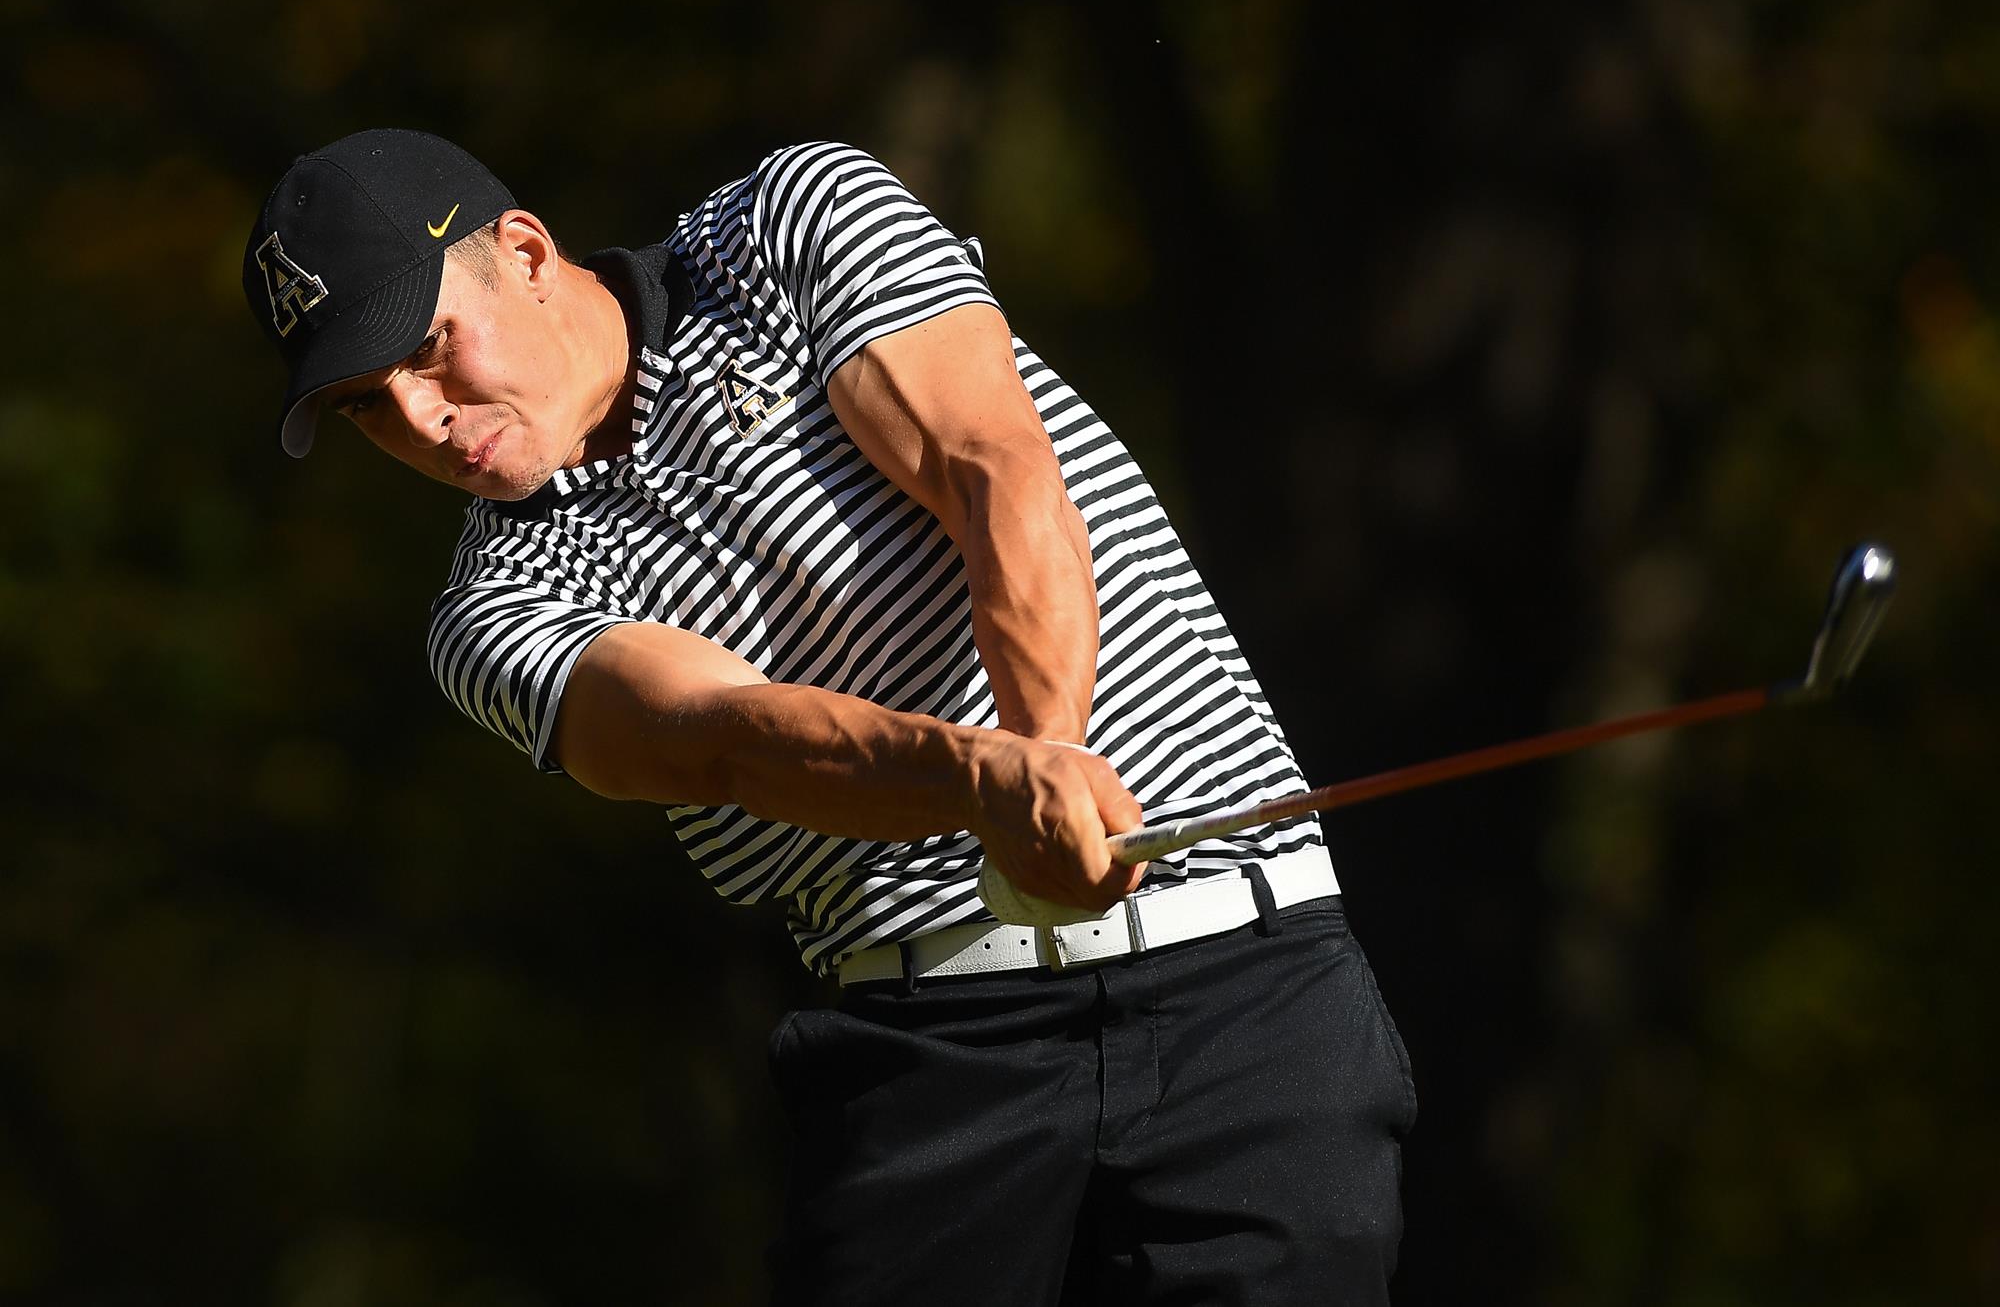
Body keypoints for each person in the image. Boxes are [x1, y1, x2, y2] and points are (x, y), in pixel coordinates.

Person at [243, 128, 1417, 1304]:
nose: (421, 418)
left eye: (430, 345)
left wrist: (1049, 750)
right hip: (931, 1060)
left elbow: (986, 463)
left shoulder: (786, 225)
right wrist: (987, 781)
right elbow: (726, 735)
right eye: (364, 405)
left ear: (527, 252)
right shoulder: (489, 613)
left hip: (1243, 990)